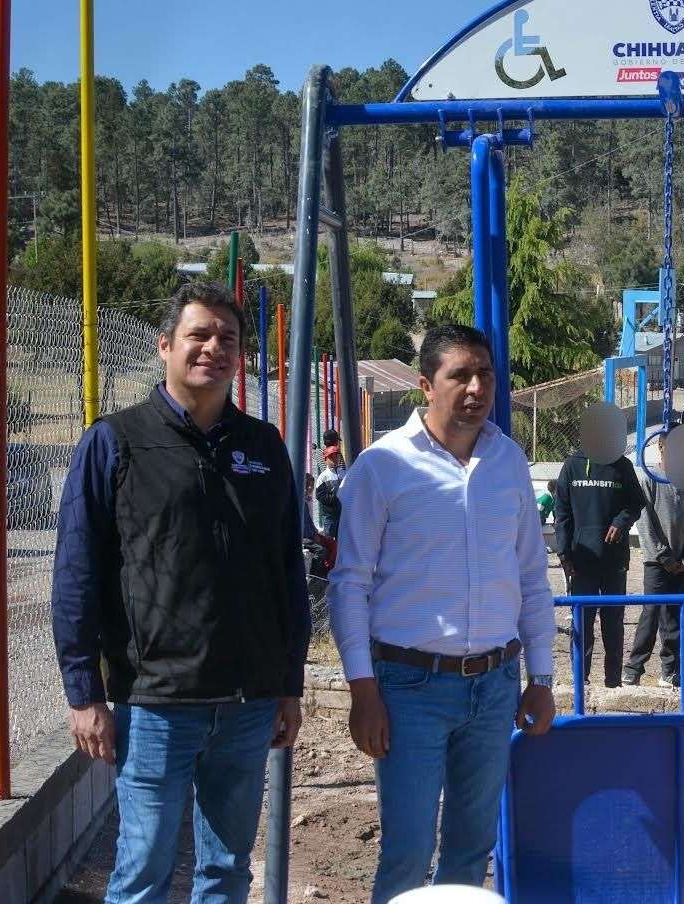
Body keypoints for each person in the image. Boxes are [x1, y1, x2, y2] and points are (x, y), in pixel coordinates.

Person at [52, 283, 309, 903]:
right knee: (143, 873)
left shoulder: (263, 447)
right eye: (199, 335)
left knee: (226, 871)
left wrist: (289, 684)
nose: (213, 348)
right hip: (156, 703)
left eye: (227, 338)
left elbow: (286, 573)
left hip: (248, 703)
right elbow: (76, 573)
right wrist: (84, 693)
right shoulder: (116, 442)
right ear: (165, 345)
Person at [328, 325, 555, 902]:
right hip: (410, 689)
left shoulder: (508, 461)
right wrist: (362, 690)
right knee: (406, 851)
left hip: (495, 686)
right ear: (426, 385)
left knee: (471, 847)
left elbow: (531, 576)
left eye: (485, 374)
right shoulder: (383, 466)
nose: (477, 387)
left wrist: (542, 678)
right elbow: (349, 583)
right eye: (461, 375)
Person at [553, 436, 645, 689]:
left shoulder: (622, 465)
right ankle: (579, 681)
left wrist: (621, 522)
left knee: (613, 623)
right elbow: (562, 512)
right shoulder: (572, 465)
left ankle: (613, 682)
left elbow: (637, 502)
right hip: (581, 559)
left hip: (615, 560)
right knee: (582, 623)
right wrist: (563, 554)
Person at [623, 434, 684, 688]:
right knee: (651, 612)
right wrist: (663, 555)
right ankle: (634, 668)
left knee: (676, 616)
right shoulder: (649, 479)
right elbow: (644, 522)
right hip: (657, 562)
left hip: (683, 562)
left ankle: (670, 670)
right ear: (661, 447)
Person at [315, 444, 346, 537]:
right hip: (330, 516)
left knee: (343, 539)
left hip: (344, 514)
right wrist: (334, 497)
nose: (334, 459)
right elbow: (320, 496)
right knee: (330, 540)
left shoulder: (344, 473)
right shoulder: (323, 477)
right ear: (325, 459)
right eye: (331, 457)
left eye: (336, 456)